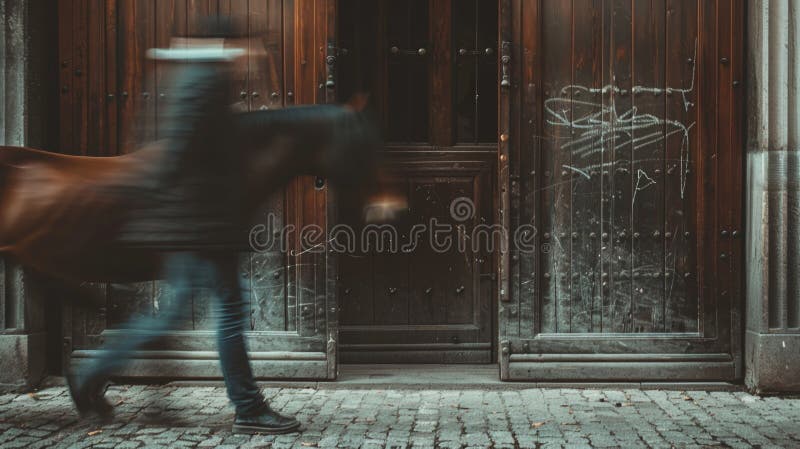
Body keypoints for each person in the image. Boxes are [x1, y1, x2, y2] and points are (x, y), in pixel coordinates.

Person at [67, 16, 300, 435]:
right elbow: (181, 155)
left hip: (200, 224)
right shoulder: (205, 81)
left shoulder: (202, 77)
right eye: (255, 47)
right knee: (227, 312)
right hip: (199, 225)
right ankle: (248, 408)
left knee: (176, 315)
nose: (258, 56)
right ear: (233, 43)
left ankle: (89, 374)